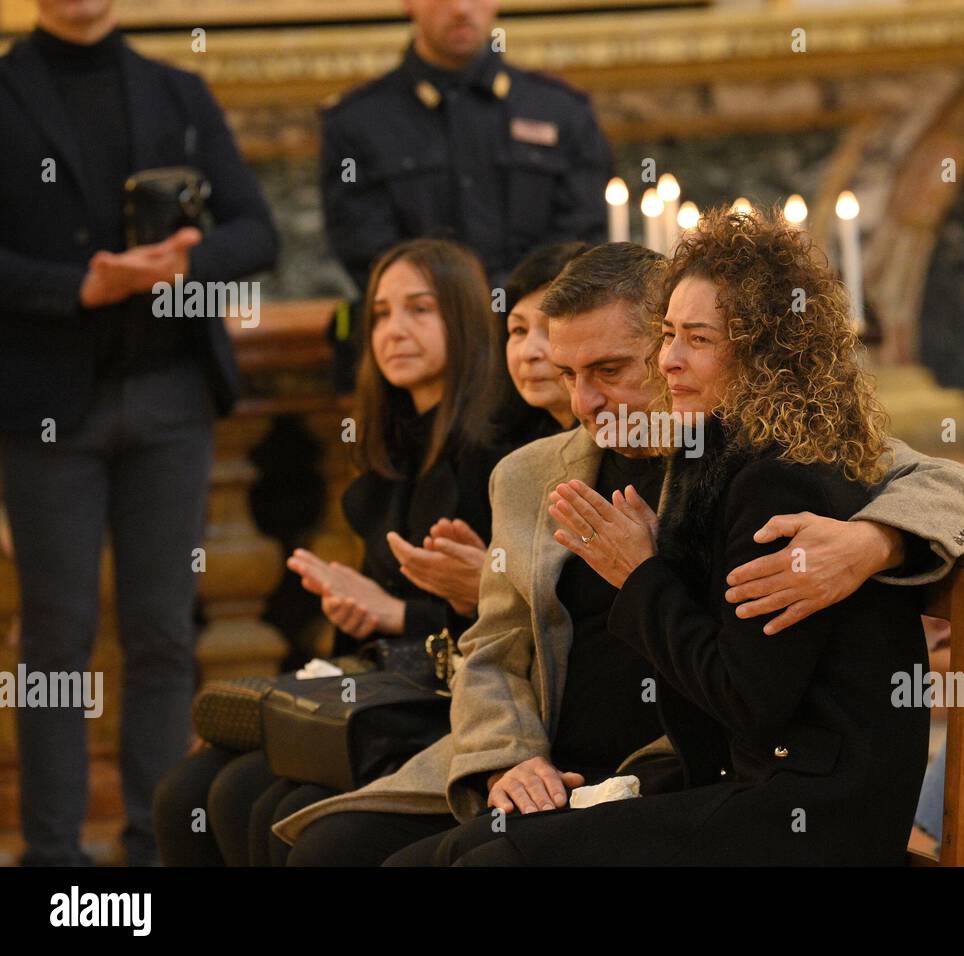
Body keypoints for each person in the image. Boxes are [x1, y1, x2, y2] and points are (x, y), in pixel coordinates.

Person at [418, 206, 938, 865]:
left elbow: (748, 701)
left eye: (697, 339)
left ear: (763, 348)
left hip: (808, 806)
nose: (669, 361)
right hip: (736, 776)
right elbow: (494, 646)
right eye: (667, 335)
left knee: (492, 863)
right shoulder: (716, 451)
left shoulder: (785, 475)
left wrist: (638, 575)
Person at [152, 238, 568, 866]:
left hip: (456, 703)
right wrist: (362, 612)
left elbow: (518, 632)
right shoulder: (391, 446)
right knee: (186, 788)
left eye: (420, 310)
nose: (394, 331)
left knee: (258, 803)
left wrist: (404, 611)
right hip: (396, 684)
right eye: (380, 314)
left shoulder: (503, 454)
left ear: (463, 319)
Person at [0, 0, 279, 865]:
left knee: (163, 628)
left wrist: (180, 264)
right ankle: (52, 855)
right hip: (48, 405)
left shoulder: (177, 92)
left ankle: (156, 849)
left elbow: (256, 231)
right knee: (56, 632)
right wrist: (76, 287)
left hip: (168, 396)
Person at [321, 0, 609, 298]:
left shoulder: (560, 110)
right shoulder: (357, 121)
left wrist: (511, 300)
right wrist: (458, 308)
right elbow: (363, 245)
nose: (461, 8)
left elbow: (582, 230)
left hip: (541, 321)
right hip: (423, 326)